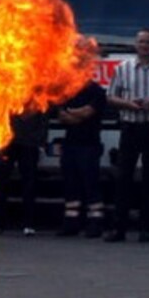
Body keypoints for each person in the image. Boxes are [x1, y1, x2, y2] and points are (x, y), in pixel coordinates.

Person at [104, 27, 149, 243]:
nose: (144, 45)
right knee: (123, 178)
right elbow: (110, 97)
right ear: (135, 45)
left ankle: (146, 229)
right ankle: (120, 229)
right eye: (141, 42)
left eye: (148, 42)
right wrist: (128, 104)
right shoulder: (122, 69)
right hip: (130, 127)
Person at [55, 79, 107, 238]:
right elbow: (61, 116)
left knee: (91, 185)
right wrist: (78, 113)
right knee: (71, 185)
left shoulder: (96, 91)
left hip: (89, 144)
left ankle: (95, 224)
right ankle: (71, 223)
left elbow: (88, 113)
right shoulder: (66, 90)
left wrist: (73, 112)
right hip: (70, 144)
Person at [0, 110, 48, 236]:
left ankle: (28, 224)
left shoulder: (37, 96)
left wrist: (39, 141)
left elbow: (43, 118)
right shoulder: (8, 93)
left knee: (29, 184)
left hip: (29, 144)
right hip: (6, 143)